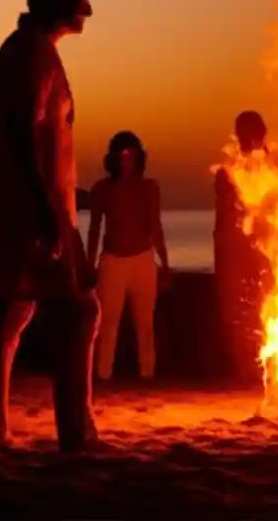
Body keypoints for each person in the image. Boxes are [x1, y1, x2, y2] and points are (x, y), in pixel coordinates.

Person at [0, 0, 100, 452]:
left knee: (7, 318)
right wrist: (50, 209)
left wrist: (66, 195)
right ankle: (75, 433)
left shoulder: (31, 50)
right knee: (76, 314)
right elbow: (21, 132)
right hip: (33, 214)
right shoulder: (31, 53)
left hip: (29, 208)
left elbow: (34, 140)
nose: (88, 9)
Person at [87, 131, 168, 381]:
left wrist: (165, 263)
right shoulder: (102, 189)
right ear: (113, 158)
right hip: (113, 261)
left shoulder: (148, 188)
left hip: (143, 259)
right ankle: (103, 375)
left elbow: (155, 226)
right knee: (108, 323)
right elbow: (95, 228)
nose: (127, 159)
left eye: (132, 154)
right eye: (123, 154)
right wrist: (89, 265)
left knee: (145, 323)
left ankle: (147, 374)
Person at [214, 111, 278, 384]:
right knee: (236, 311)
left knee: (270, 304)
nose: (247, 137)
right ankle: (244, 372)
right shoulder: (228, 170)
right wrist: (223, 247)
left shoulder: (275, 163)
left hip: (268, 244)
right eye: (242, 132)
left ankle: (272, 370)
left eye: (252, 131)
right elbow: (225, 211)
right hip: (236, 245)